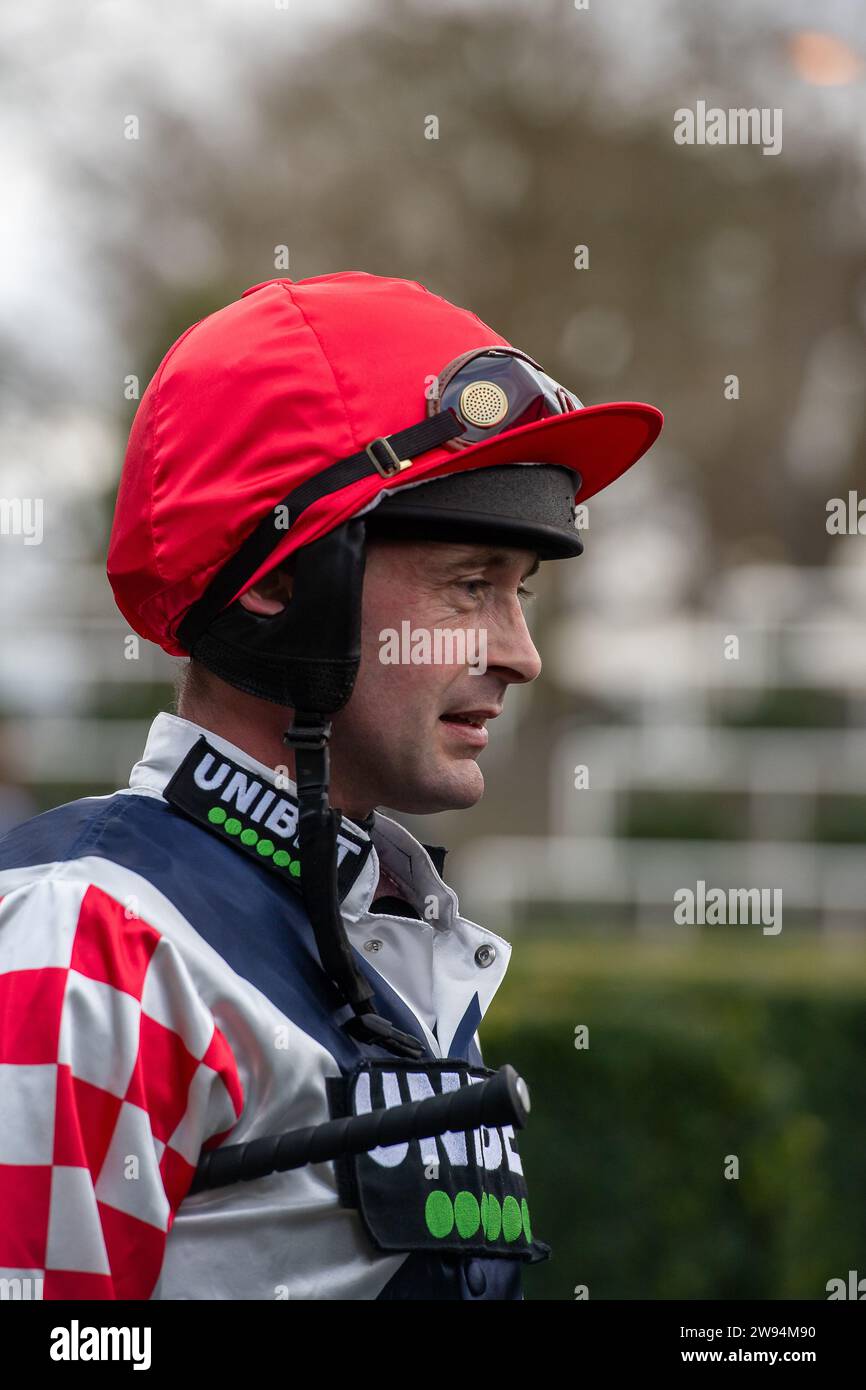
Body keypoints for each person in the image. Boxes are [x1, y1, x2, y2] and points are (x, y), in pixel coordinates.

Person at [0, 271, 662, 1300]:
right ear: (275, 583)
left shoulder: (383, 928)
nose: (520, 653)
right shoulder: (90, 939)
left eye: (519, 593)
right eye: (470, 585)